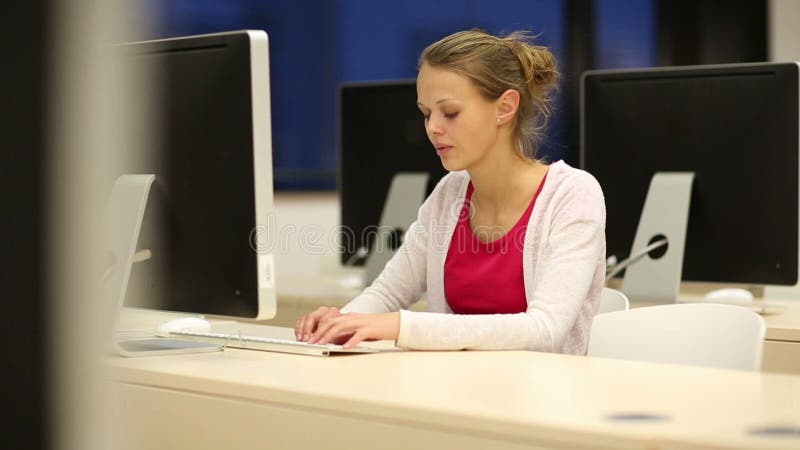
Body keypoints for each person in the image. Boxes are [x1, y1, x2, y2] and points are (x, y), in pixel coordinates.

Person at [295, 29, 606, 354]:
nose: (432, 128)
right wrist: (340, 323)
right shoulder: (450, 193)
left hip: (540, 399)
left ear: (505, 107)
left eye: (450, 113)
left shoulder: (572, 195)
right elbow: (388, 294)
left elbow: (542, 330)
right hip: (452, 393)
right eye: (427, 113)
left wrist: (400, 325)